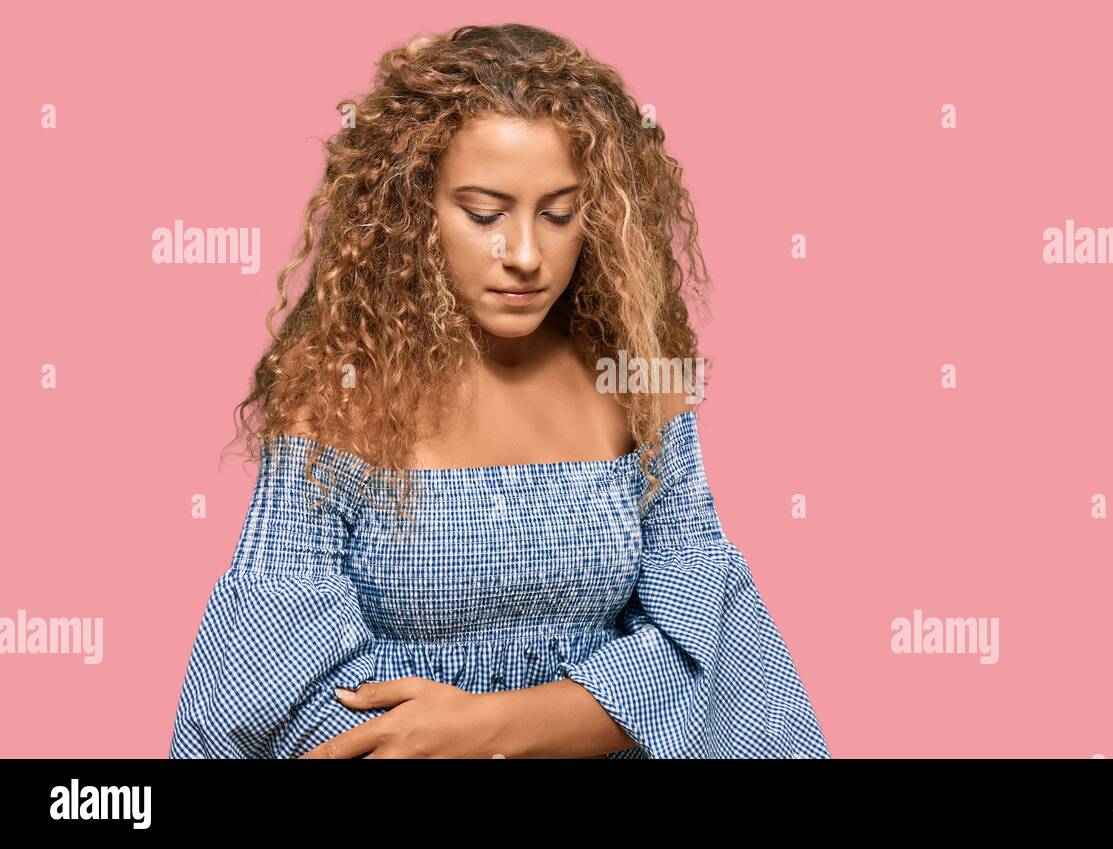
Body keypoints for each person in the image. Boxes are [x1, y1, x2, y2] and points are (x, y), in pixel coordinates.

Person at [167, 23, 830, 759]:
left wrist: (484, 728)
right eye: (485, 214)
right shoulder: (336, 402)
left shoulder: (640, 383)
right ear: (416, 208)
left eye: (559, 214)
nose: (524, 255)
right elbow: (274, 683)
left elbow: (704, 649)